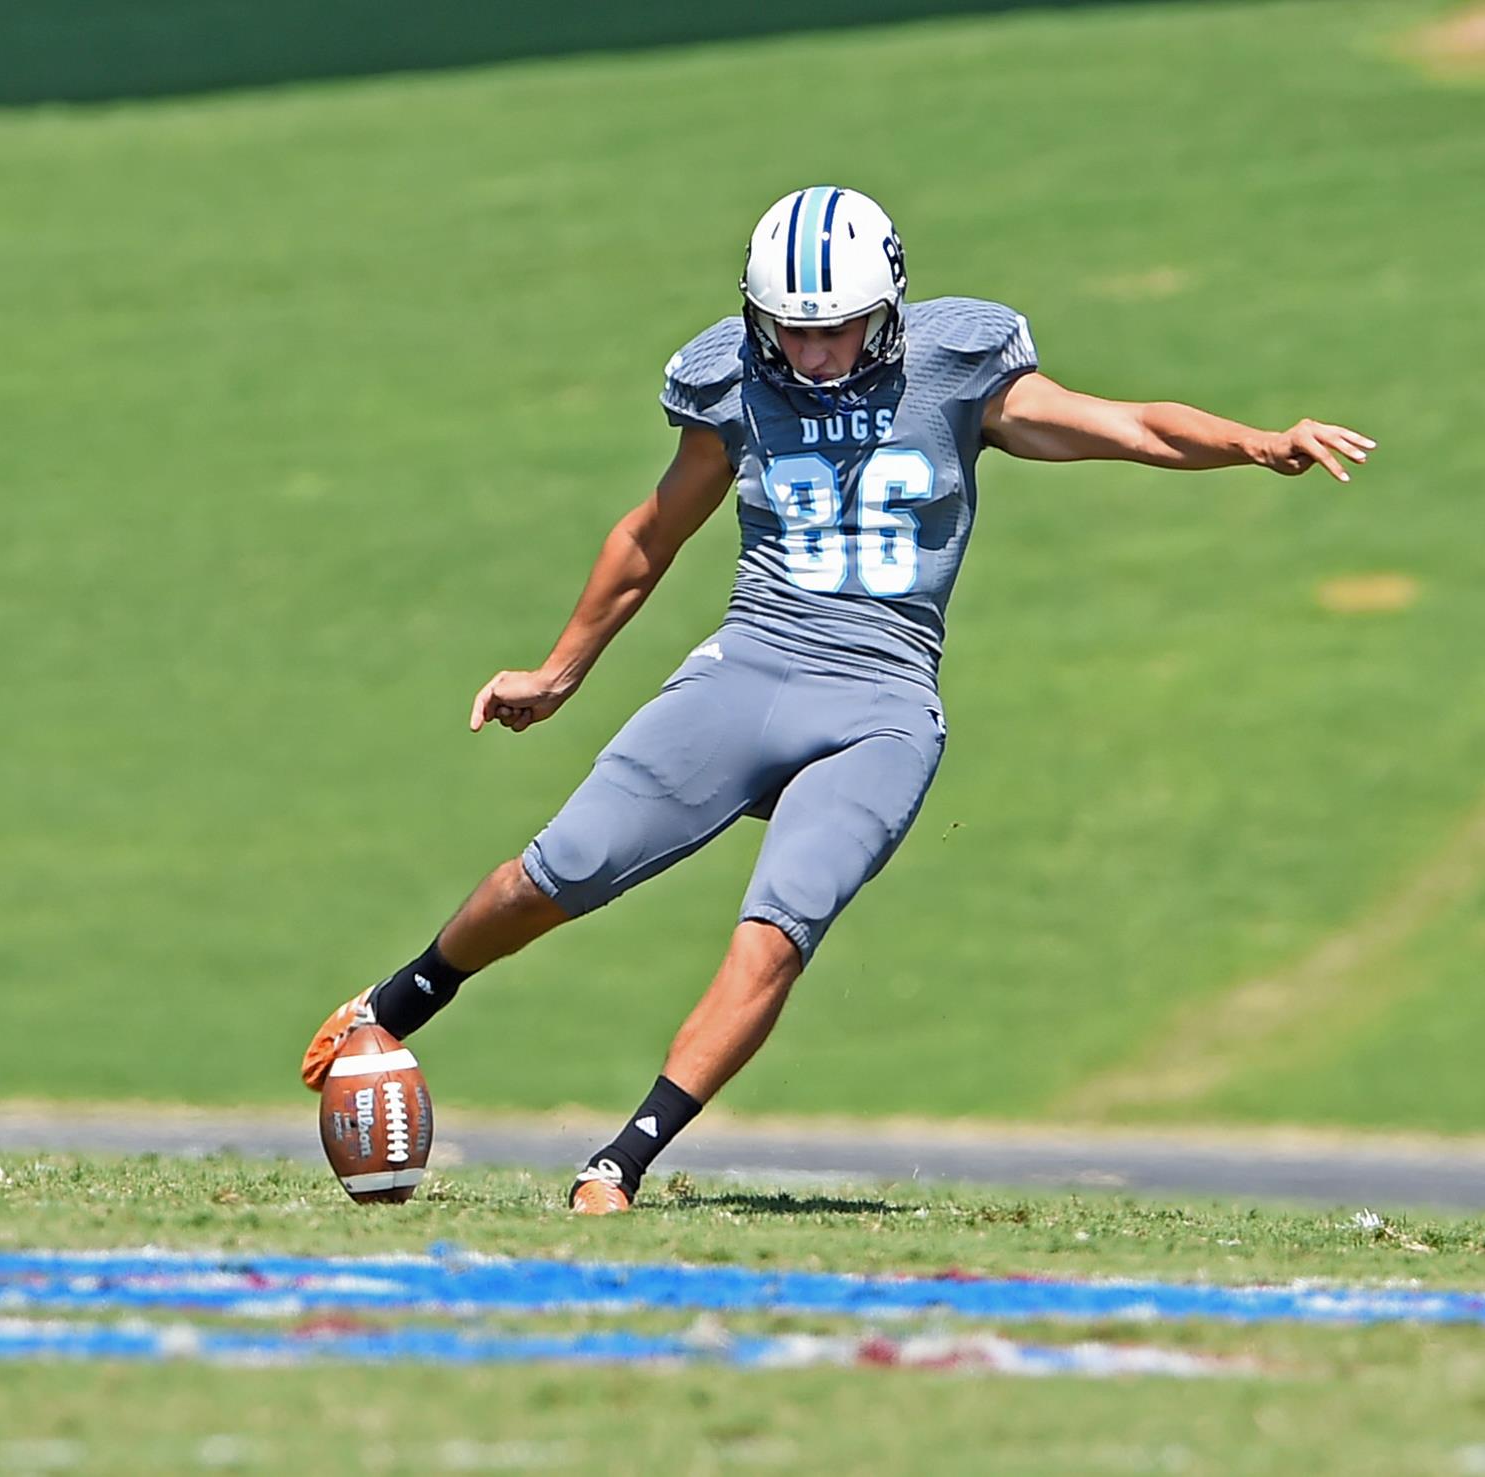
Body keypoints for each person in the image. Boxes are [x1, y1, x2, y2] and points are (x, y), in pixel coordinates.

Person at [300, 185, 1374, 1213]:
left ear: (889, 309)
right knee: (563, 866)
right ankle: (393, 1003)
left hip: (881, 701)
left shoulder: (957, 369)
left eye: (835, 330)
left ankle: (620, 1163)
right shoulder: (732, 382)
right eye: (790, 330)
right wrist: (559, 668)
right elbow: (651, 532)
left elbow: (1130, 425)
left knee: (778, 925)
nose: (810, 354)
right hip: (753, 663)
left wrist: (1256, 442)